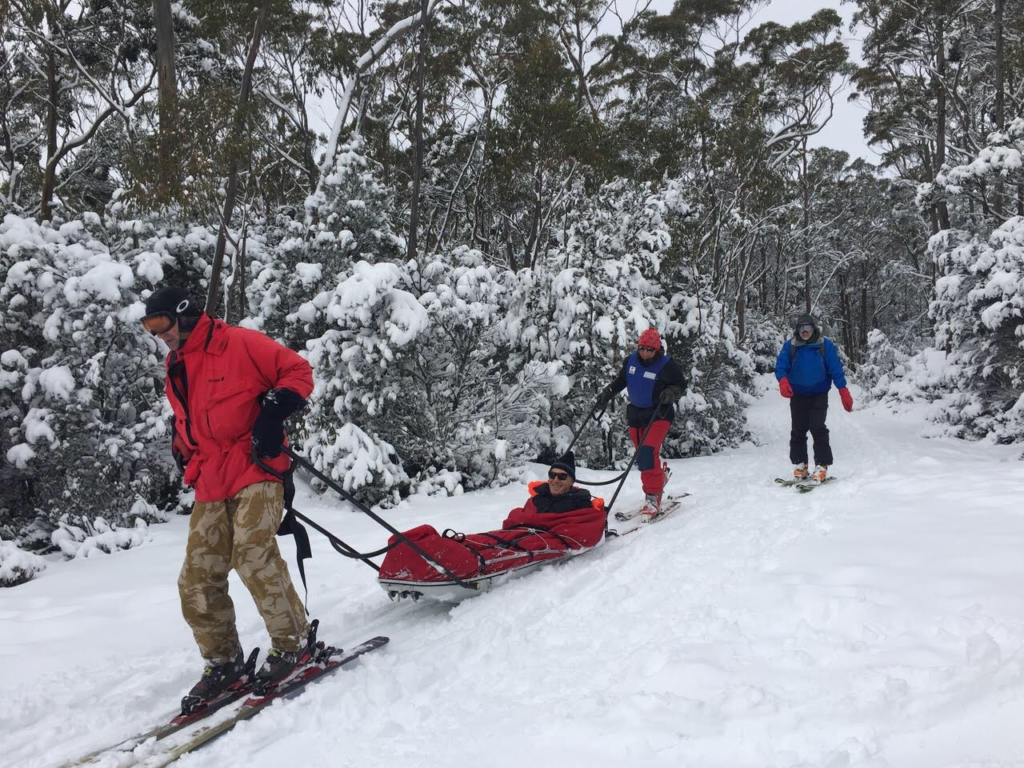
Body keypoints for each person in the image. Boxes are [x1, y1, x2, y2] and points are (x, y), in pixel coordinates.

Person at [141, 285, 315, 711]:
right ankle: (224, 662)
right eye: (150, 329)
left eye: (162, 325)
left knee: (252, 552)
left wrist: (272, 414)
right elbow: (191, 417)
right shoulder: (176, 363)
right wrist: (182, 444)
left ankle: (293, 644)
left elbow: (298, 372)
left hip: (255, 464)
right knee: (197, 577)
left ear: (184, 315)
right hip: (211, 477)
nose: (159, 335)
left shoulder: (238, 342)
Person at [597, 328, 686, 519]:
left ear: (657, 350)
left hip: (659, 414)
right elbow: (621, 380)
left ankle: (653, 497)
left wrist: (671, 392)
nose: (645, 353)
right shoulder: (631, 361)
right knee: (643, 457)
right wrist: (608, 392)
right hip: (636, 415)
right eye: (642, 348)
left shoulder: (666, 365)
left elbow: (681, 385)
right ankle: (659, 479)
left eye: (650, 349)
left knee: (646, 455)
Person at [774, 313, 853, 483]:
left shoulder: (825, 345)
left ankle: (822, 465)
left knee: (817, 427)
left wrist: (843, 390)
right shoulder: (791, 346)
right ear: (797, 330)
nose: (805, 331)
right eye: (801, 328)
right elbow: (781, 365)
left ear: (814, 329)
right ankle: (800, 465)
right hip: (798, 394)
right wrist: (783, 381)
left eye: (808, 328)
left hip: (819, 393)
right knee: (798, 429)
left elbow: (835, 368)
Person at [514, 451, 595, 515]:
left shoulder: (581, 505)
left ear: (572, 482)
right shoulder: (536, 500)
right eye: (552, 475)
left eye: (562, 476)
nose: (555, 480)